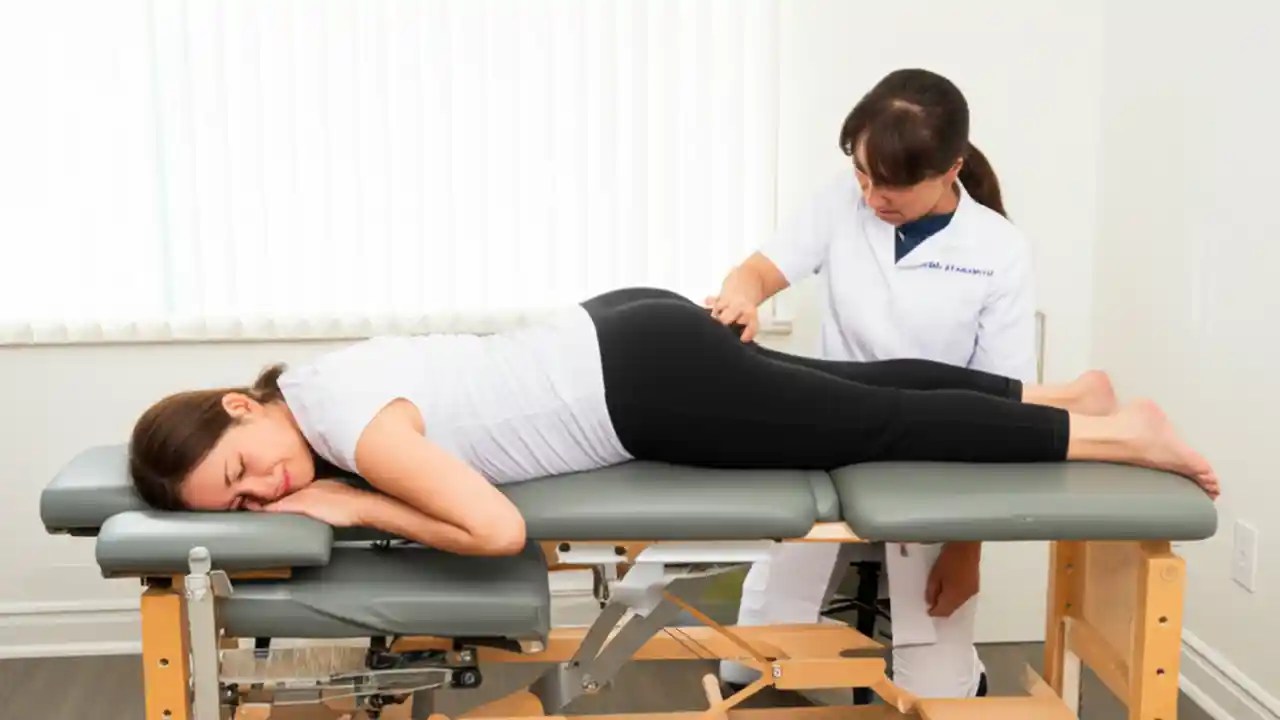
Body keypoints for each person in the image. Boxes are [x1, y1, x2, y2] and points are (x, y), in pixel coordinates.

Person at [128, 286, 1217, 561]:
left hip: (640, 384)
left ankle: (1122, 437)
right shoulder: (313, 386)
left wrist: (354, 506)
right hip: (618, 330)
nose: (266, 492)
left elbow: (496, 531)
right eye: (240, 504)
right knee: (856, 388)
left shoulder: (348, 438)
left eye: (241, 468)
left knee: (876, 423)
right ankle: (1062, 396)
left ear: (240, 406)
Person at [703, 67, 1072, 699]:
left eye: (894, 184)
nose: (873, 196)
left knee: (938, 694)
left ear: (951, 169)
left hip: (935, 453)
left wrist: (967, 550)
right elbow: (757, 272)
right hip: (830, 435)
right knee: (748, 664)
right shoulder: (841, 202)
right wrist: (741, 297)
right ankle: (831, 654)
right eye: (863, 174)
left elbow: (1005, 411)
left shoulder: (999, 250)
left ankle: (941, 666)